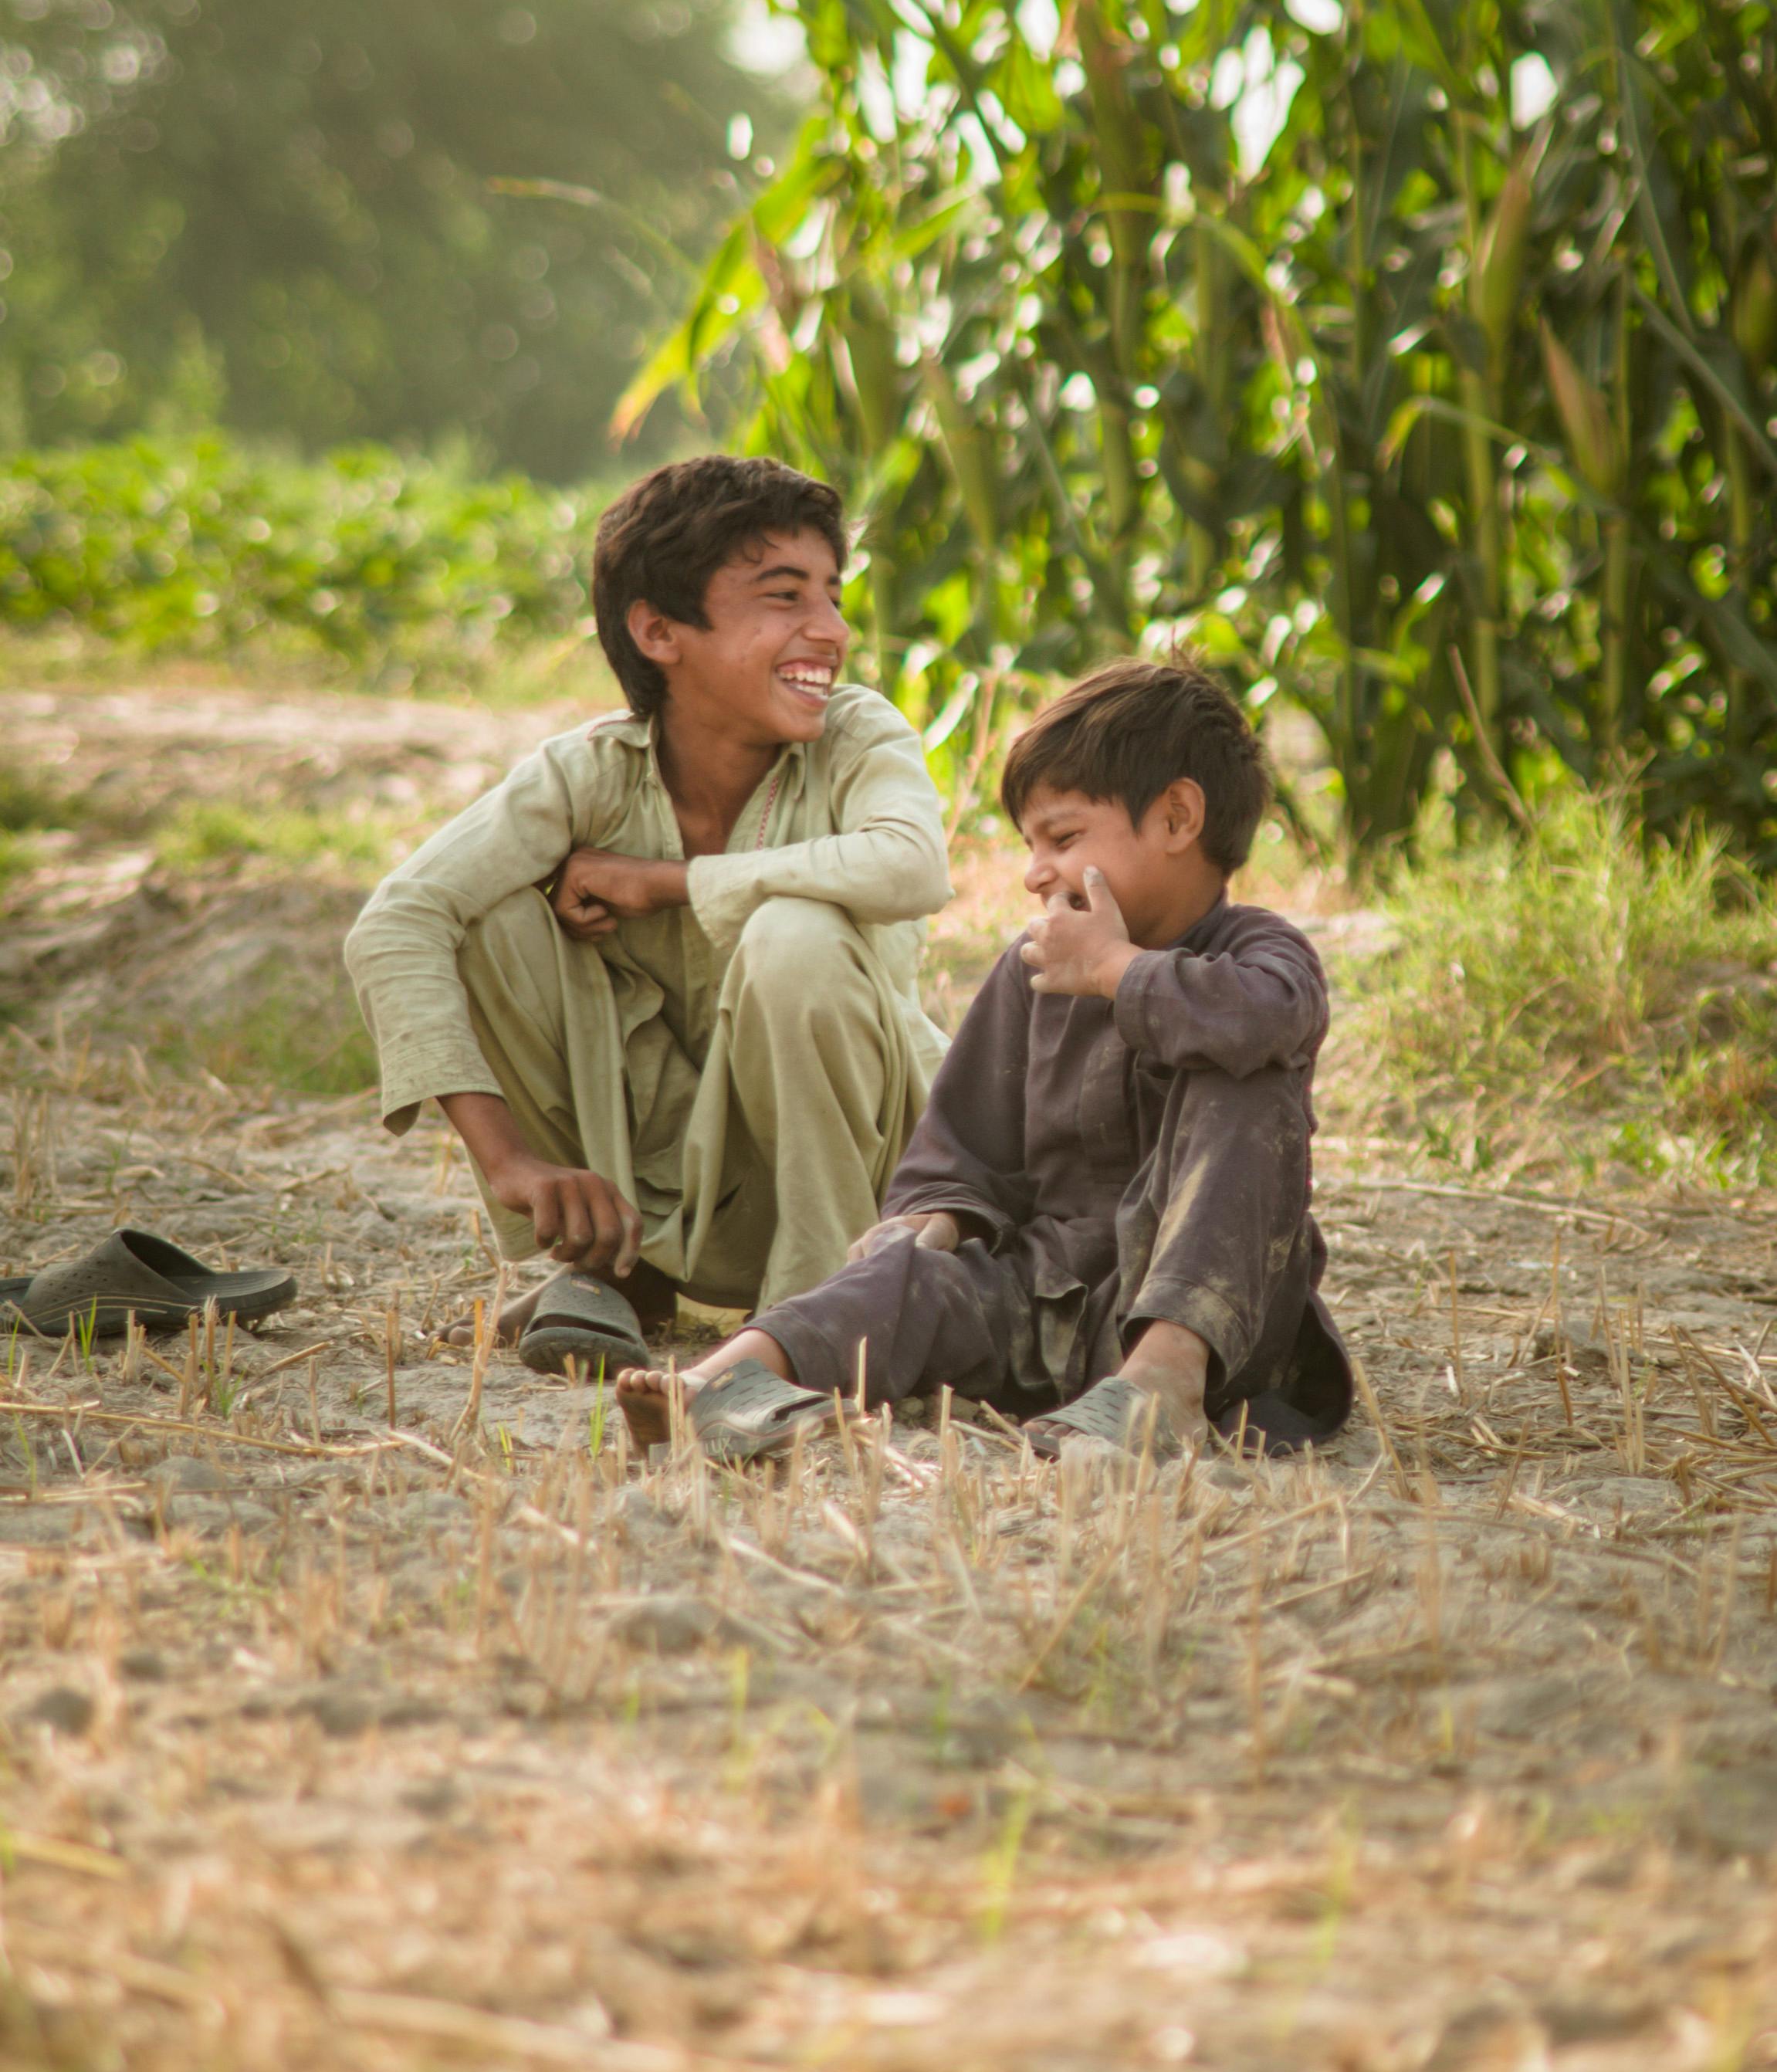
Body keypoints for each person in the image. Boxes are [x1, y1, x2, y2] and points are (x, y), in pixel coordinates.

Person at [617, 652, 1351, 1462]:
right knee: (905, 1278)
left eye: (1062, 838)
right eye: (1029, 843)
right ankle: (723, 1385)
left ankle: (1160, 1382)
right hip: (1046, 1301)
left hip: (1218, 1323)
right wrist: (937, 1217)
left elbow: (1270, 1021)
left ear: (1177, 818)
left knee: (1245, 1069)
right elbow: (961, 1145)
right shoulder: (1034, 972)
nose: (1036, 872)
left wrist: (1116, 971)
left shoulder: (1258, 956)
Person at [344, 455, 950, 1377]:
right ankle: (617, 1266)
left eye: (833, 594)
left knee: (795, 932)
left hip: (862, 1188)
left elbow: (912, 865)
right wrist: (509, 1163)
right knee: (491, 919)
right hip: (668, 1193)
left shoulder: (858, 735)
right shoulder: (589, 773)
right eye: (785, 597)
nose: (830, 630)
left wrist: (665, 880)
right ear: (660, 631)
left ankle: (817, 1313)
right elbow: (399, 921)